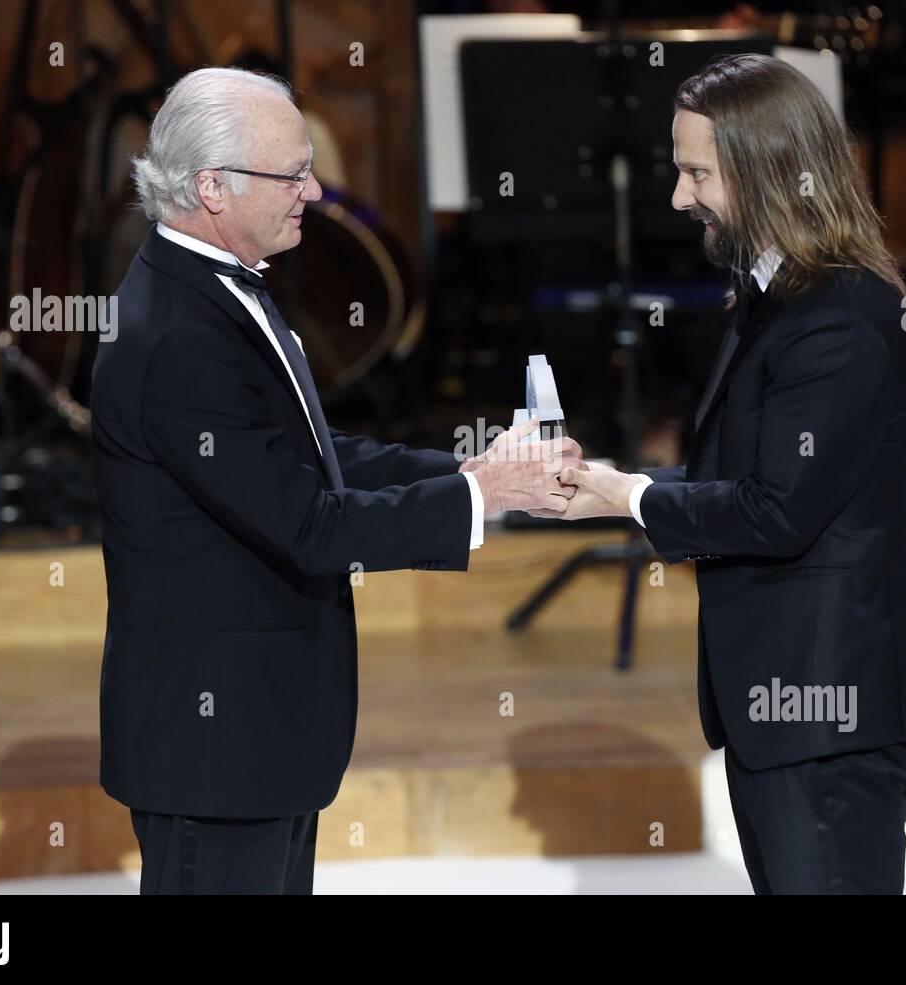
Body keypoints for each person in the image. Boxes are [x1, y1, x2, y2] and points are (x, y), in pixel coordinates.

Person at [91, 67, 579, 894]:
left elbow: (308, 454)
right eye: (292, 174)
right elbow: (308, 524)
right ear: (211, 187)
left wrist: (470, 466)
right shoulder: (178, 338)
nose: (315, 193)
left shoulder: (216, 292)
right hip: (217, 751)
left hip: (258, 743)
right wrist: (480, 498)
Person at [550, 54, 906, 894]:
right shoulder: (776, 297)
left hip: (827, 716)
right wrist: (622, 488)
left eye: (698, 172)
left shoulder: (835, 320)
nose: (677, 196)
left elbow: (776, 512)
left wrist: (625, 494)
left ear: (771, 171)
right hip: (784, 710)